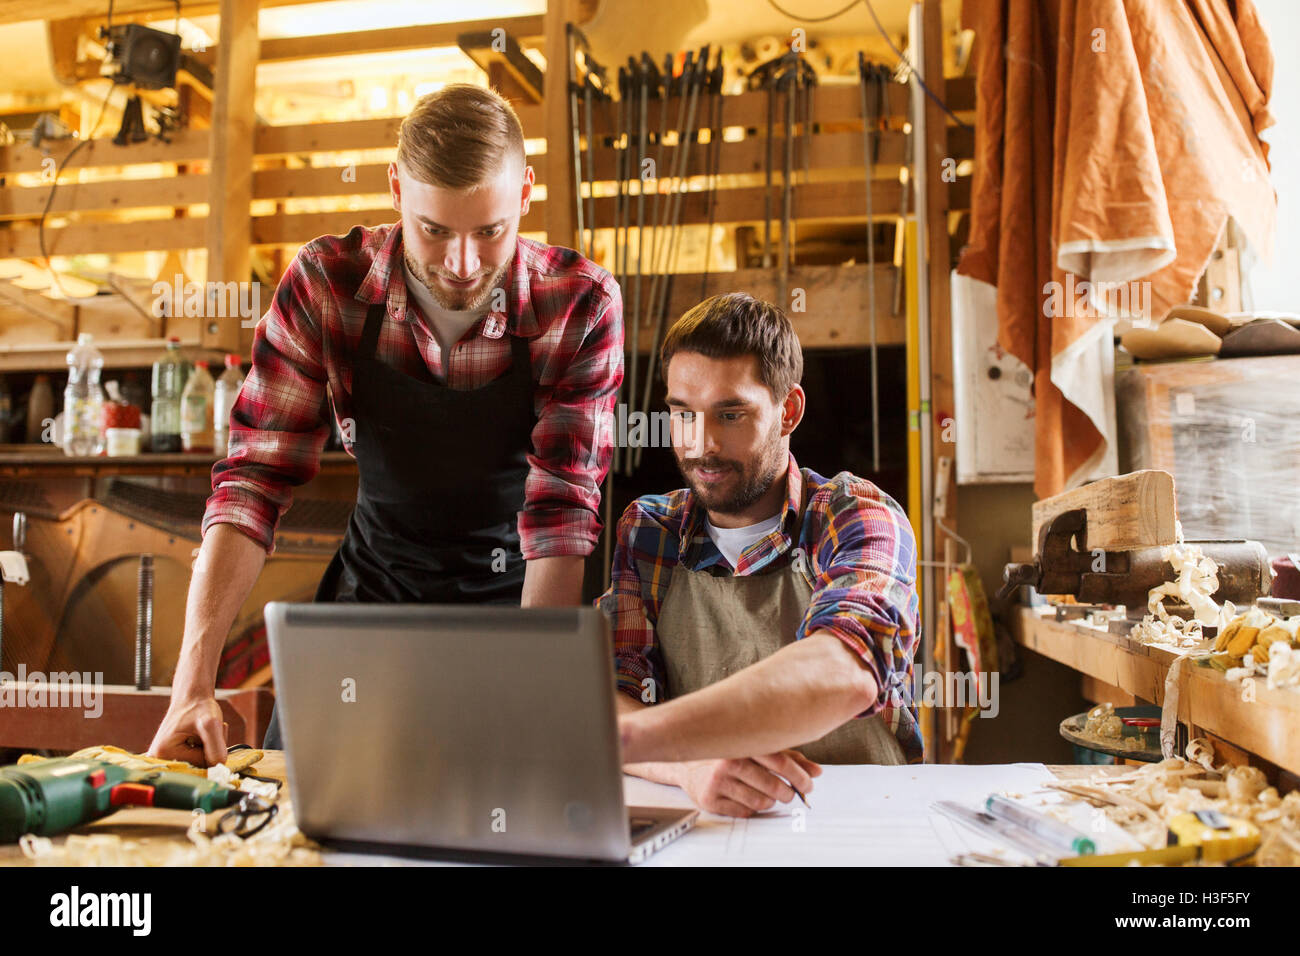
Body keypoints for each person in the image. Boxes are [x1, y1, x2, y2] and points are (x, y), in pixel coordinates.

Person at [149, 84, 623, 764]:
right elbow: (253, 483)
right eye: (435, 230)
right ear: (397, 187)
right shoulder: (325, 284)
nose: (462, 266)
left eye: (489, 232)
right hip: (369, 604)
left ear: (524, 195)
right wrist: (191, 686)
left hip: (516, 607)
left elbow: (561, 515)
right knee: (306, 826)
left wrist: (533, 692)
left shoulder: (579, 304)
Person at [598, 293, 921, 818]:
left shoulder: (855, 516)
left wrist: (630, 739)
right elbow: (612, 690)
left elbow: (846, 667)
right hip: (714, 822)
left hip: (862, 819)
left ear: (788, 411)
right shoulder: (649, 531)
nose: (700, 444)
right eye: (682, 414)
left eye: (730, 414)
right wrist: (687, 766)